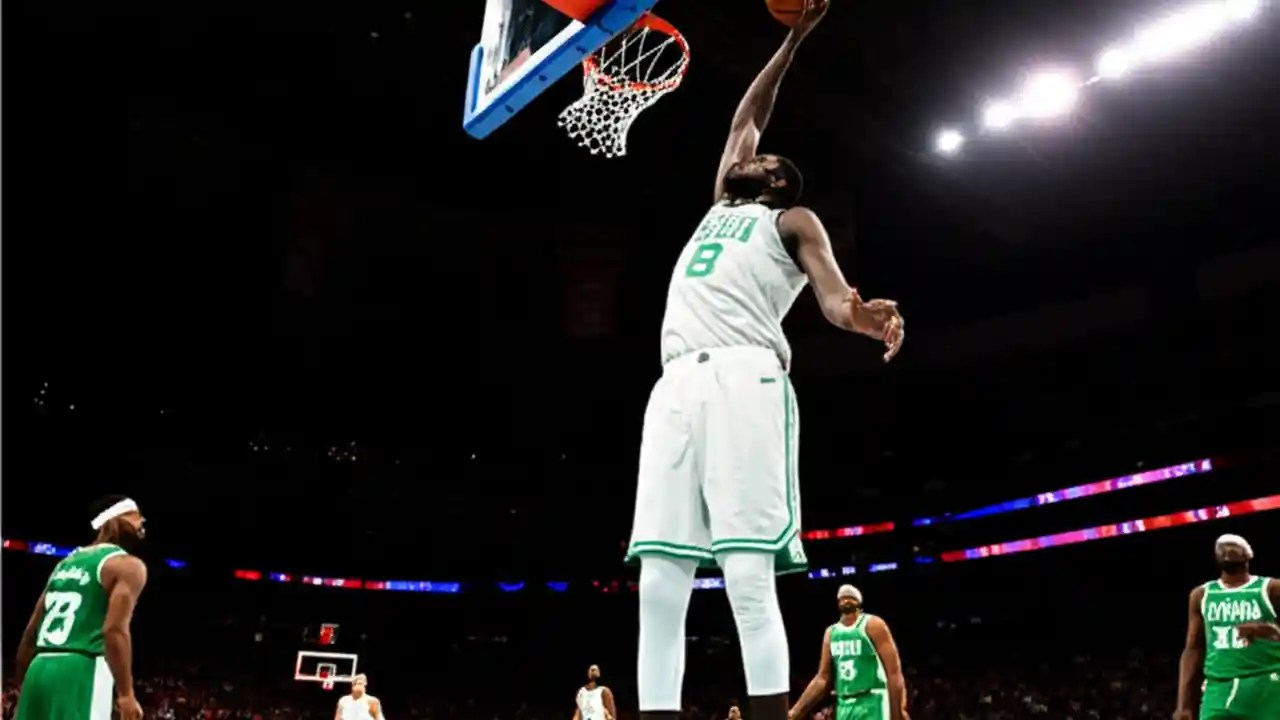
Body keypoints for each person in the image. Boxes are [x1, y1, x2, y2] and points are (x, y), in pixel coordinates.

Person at [625, 0, 905, 719]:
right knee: (660, 580)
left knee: (746, 575)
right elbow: (746, 118)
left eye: (764, 161)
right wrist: (792, 41)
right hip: (675, 384)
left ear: (778, 182)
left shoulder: (792, 219)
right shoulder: (719, 205)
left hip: (745, 378)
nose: (750, 157)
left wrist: (865, 318)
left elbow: (835, 301)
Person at [14, 496, 149, 720]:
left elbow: (30, 632)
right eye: (135, 515)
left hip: (39, 666)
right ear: (115, 519)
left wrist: (24, 683)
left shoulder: (64, 564)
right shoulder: (127, 566)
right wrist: (126, 694)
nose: (142, 521)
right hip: (82, 668)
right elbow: (114, 630)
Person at [1174, 534, 1280, 720]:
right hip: (1218, 689)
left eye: (1234, 546)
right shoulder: (1202, 595)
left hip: (1266, 684)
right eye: (1222, 547)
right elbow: (1193, 649)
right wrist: (1183, 704)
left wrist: (1272, 631)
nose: (1228, 549)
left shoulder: (1271, 588)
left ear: (1248, 555)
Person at [788, 585, 908, 720]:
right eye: (842, 598)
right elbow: (822, 678)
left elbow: (894, 672)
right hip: (843, 704)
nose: (846, 601)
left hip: (872, 701)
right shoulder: (831, 633)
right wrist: (794, 712)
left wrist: (898, 710)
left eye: (850, 598)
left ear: (859, 602)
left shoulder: (873, 624)